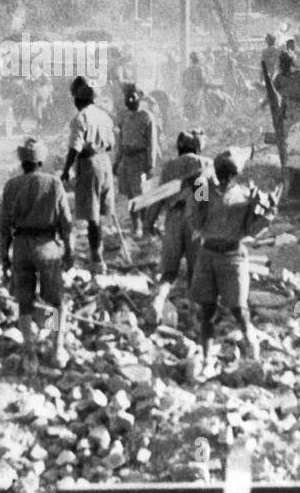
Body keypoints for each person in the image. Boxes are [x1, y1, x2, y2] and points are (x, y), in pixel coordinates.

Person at [188, 149, 277, 377]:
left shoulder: (246, 196)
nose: (225, 177)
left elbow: (251, 229)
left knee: (238, 308)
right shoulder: (205, 192)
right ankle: (207, 358)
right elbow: (196, 220)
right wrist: (197, 190)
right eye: (222, 173)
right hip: (208, 253)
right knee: (206, 309)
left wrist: (267, 214)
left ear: (234, 175)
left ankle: (253, 349)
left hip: (233, 256)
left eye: (228, 173)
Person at [0, 138, 74, 373]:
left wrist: (4, 258)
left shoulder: (11, 186)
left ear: (22, 161)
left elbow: (3, 228)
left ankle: (29, 352)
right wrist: (70, 251)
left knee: (25, 303)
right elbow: (66, 223)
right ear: (40, 161)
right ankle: (57, 346)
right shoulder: (53, 184)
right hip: (47, 247)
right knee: (56, 301)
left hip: (21, 247)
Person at [150, 130, 211, 323]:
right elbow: (203, 197)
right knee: (196, 270)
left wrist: (149, 222)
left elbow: (158, 197)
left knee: (169, 271)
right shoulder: (204, 164)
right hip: (195, 220)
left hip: (173, 218)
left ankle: (158, 303)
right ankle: (194, 315)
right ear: (197, 147)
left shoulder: (169, 167)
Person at [61, 76, 116, 274]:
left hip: (89, 163)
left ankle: (97, 259)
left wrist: (67, 169)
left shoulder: (80, 118)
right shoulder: (105, 116)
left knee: (92, 217)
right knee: (101, 212)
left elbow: (75, 147)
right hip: (104, 162)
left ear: (78, 99)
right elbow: (111, 144)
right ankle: (98, 251)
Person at [115, 85, 159, 237]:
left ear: (139, 97)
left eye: (133, 96)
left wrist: (151, 165)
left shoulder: (146, 117)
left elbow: (152, 143)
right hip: (126, 160)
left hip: (140, 160)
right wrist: (116, 161)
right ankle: (136, 226)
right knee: (130, 196)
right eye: (128, 97)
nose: (130, 99)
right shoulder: (124, 117)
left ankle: (146, 226)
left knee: (141, 195)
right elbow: (120, 142)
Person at [182, 52, 206, 118]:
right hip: (197, 93)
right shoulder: (200, 69)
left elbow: (183, 83)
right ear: (198, 61)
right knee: (197, 112)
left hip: (188, 93)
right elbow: (203, 81)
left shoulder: (186, 70)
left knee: (188, 112)